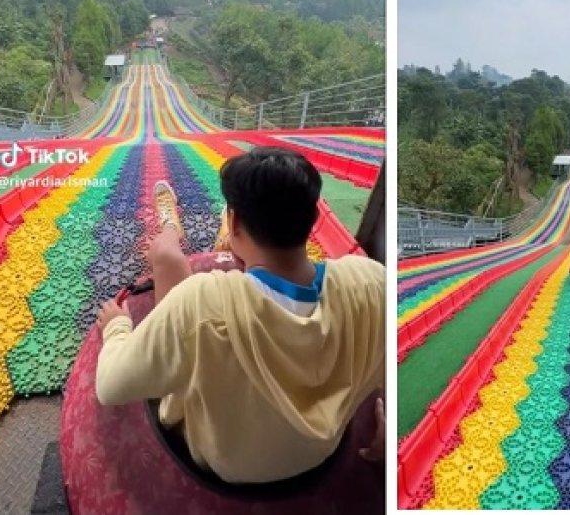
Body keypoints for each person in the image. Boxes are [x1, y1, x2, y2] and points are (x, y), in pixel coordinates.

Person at [94, 147, 386, 484]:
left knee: (168, 261)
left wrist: (117, 327)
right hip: (318, 452)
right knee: (176, 273)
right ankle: (219, 243)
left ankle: (171, 227)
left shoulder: (202, 304)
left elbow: (110, 386)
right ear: (312, 220)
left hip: (223, 463)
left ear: (234, 220)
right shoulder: (369, 281)